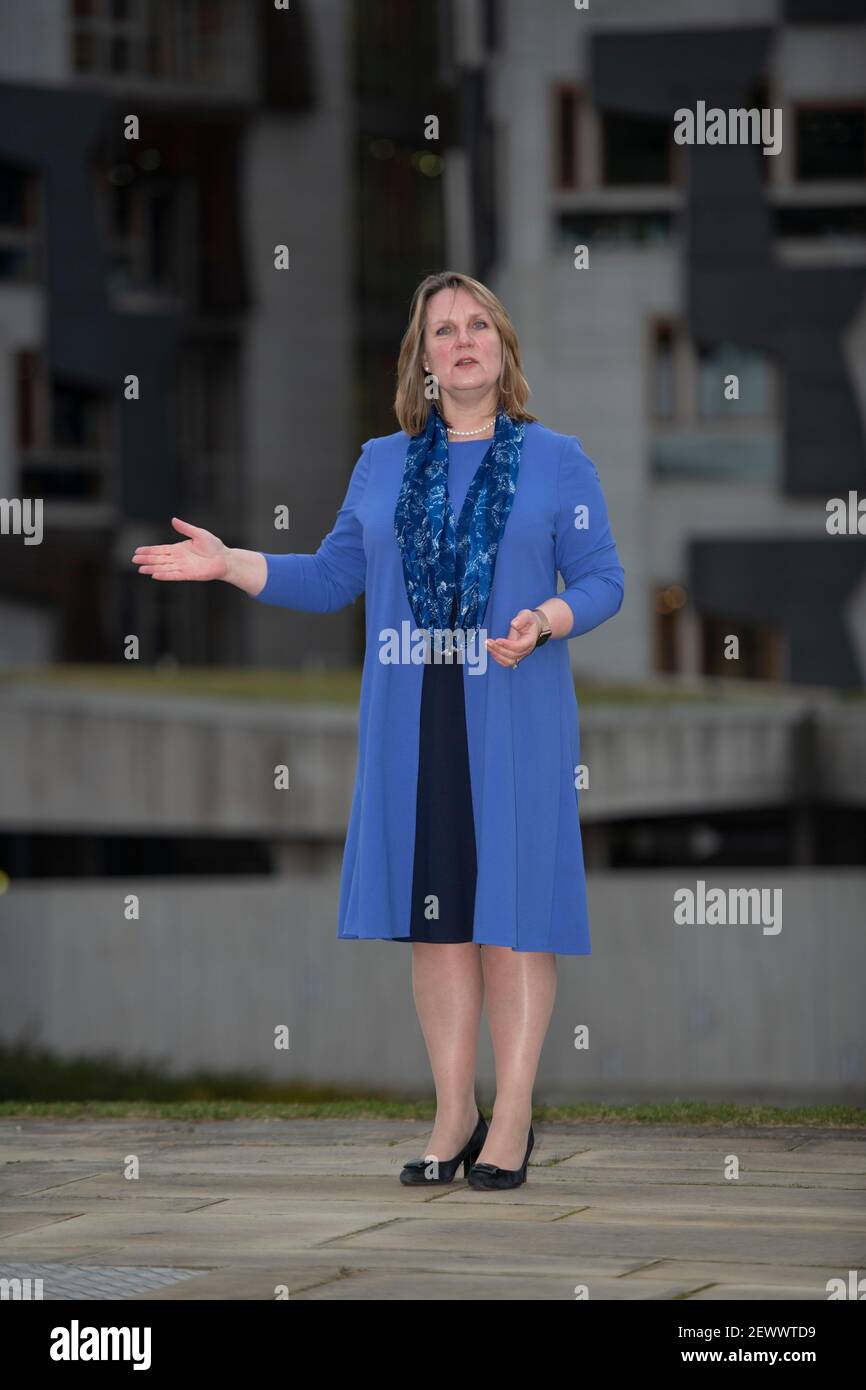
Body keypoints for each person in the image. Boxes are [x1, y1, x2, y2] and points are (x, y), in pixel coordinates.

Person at [132, 271, 624, 1191]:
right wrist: (230, 562)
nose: (464, 340)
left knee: (513, 923)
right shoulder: (382, 463)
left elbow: (604, 579)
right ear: (423, 362)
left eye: (479, 325)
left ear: (504, 349)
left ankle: (513, 1115)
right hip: (416, 715)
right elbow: (330, 578)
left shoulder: (560, 461)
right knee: (437, 924)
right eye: (443, 331)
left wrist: (548, 620)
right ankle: (454, 1112)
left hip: (514, 710)